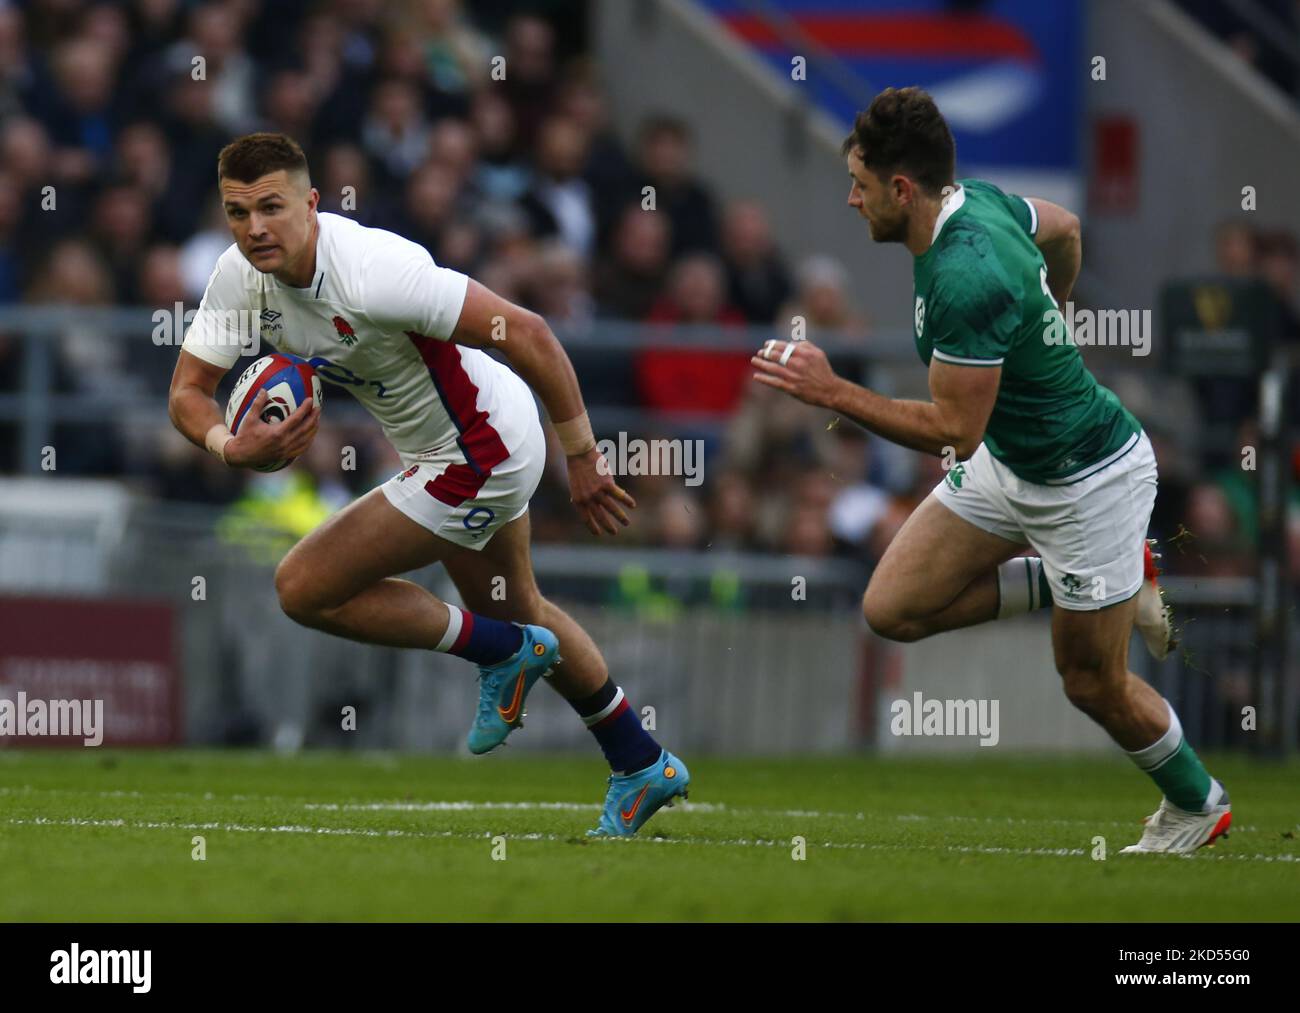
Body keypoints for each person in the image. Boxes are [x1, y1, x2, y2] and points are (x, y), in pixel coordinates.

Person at [167, 132, 688, 836]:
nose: (255, 227)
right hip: (447, 448)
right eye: (237, 212)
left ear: (312, 203)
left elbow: (528, 331)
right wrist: (232, 445)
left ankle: (500, 651)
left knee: (303, 586)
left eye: (271, 207)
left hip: (483, 448)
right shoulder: (240, 276)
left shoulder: (373, 271)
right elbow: (188, 392)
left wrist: (585, 455)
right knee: (520, 605)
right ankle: (641, 760)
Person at [751, 88, 1229, 855]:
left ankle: (1198, 801)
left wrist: (831, 389)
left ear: (902, 190)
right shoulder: (981, 204)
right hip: (1015, 462)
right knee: (891, 607)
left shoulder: (964, 276)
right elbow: (1066, 230)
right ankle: (1083, 579)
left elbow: (953, 430)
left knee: (1090, 682)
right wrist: (1053, 314)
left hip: (1089, 482)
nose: (850, 197)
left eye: (860, 184)